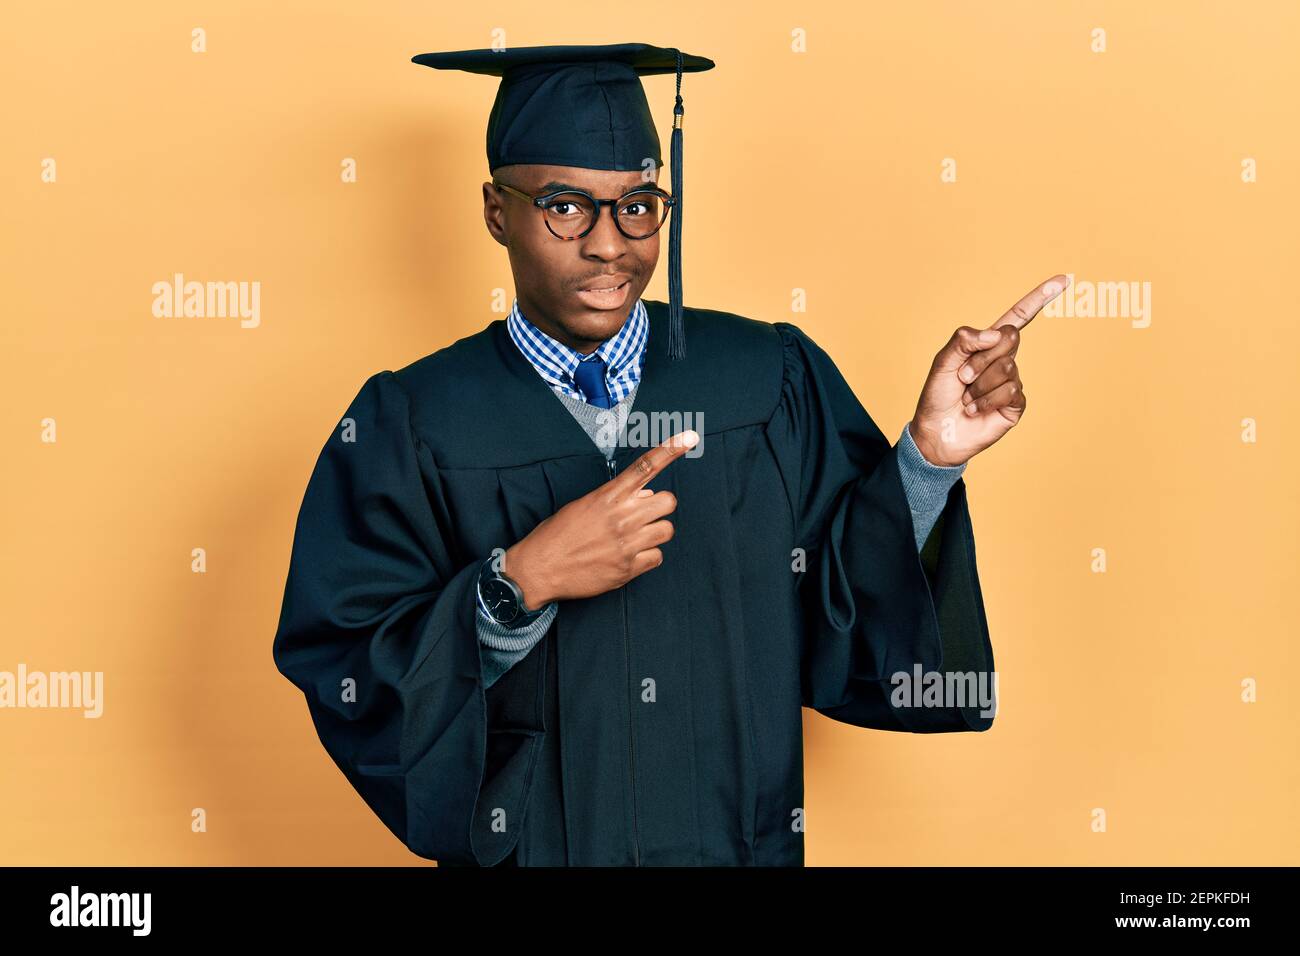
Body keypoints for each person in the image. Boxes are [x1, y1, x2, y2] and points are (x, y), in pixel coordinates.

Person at [272, 42, 1064, 866]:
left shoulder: (766, 377)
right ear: (495, 211)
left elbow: (849, 603)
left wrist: (928, 462)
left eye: (639, 204)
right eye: (565, 207)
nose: (611, 245)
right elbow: (348, 663)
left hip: (736, 845)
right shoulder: (414, 419)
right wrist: (518, 585)